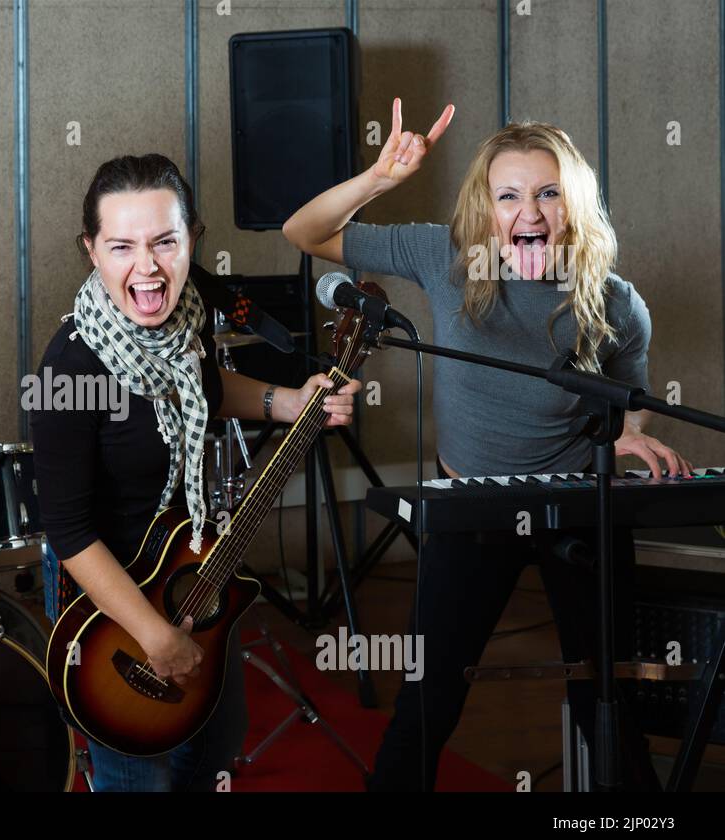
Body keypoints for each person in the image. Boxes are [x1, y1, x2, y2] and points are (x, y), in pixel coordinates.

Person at [283, 99, 689, 790]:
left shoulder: (618, 304)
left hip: (574, 501)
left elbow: (630, 409)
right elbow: (304, 230)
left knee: (607, 700)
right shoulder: (443, 255)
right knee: (429, 697)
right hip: (471, 505)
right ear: (486, 208)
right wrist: (380, 179)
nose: (528, 211)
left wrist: (628, 438)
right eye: (509, 195)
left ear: (575, 205)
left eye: (548, 192)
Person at [31, 153, 361, 792]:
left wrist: (288, 401)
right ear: (91, 251)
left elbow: (203, 388)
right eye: (121, 246)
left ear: (192, 241)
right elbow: (68, 532)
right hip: (115, 605)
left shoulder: (187, 321)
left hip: (189, 571)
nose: (147, 266)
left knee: (215, 744)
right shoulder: (68, 369)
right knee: (139, 775)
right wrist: (154, 636)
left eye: (165, 242)